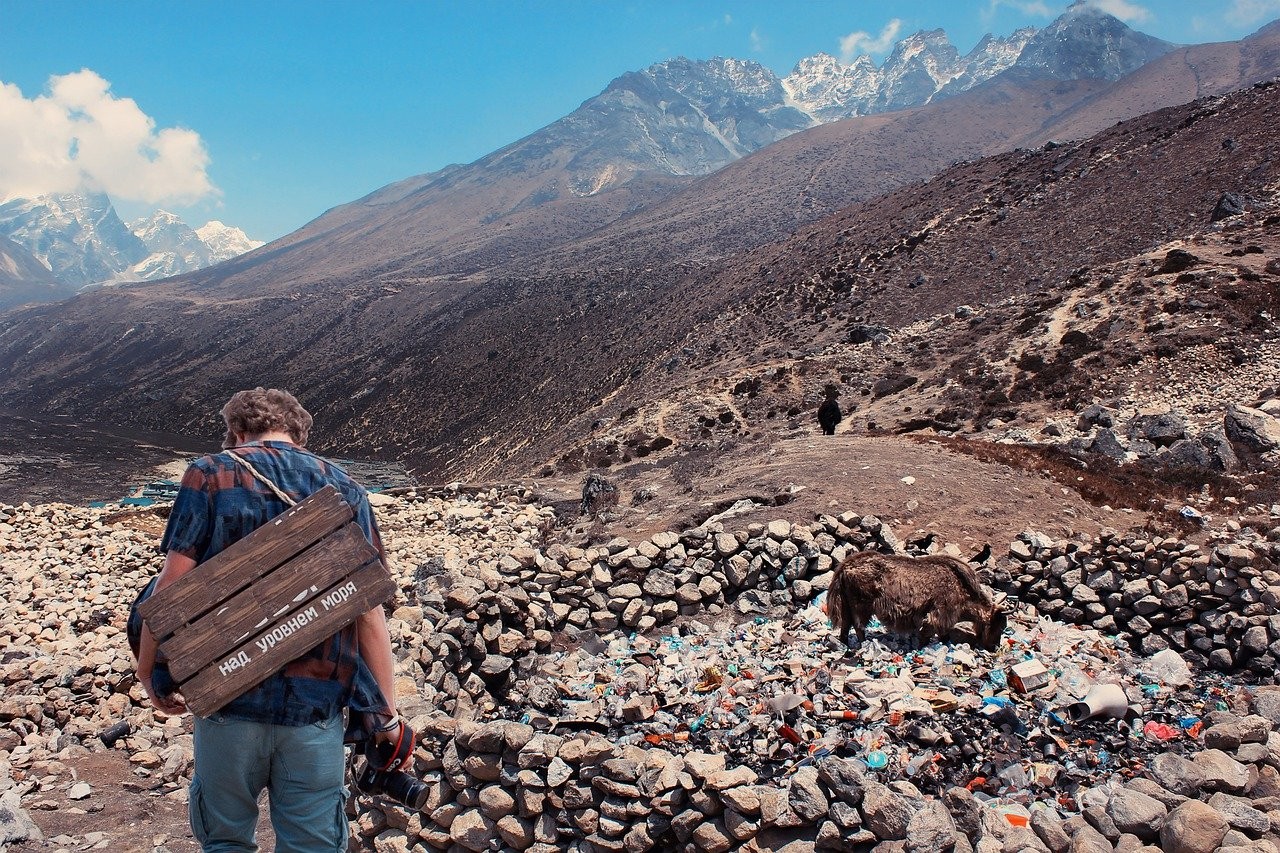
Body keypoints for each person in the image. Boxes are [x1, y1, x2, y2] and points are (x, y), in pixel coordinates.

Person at [135, 387, 404, 853]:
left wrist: (148, 670)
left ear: (236, 431)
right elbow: (368, 612)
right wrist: (388, 714)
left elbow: (172, 589)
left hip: (228, 698)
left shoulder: (210, 474)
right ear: (298, 433)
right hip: (315, 709)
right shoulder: (345, 487)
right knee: (313, 844)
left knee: (226, 840)